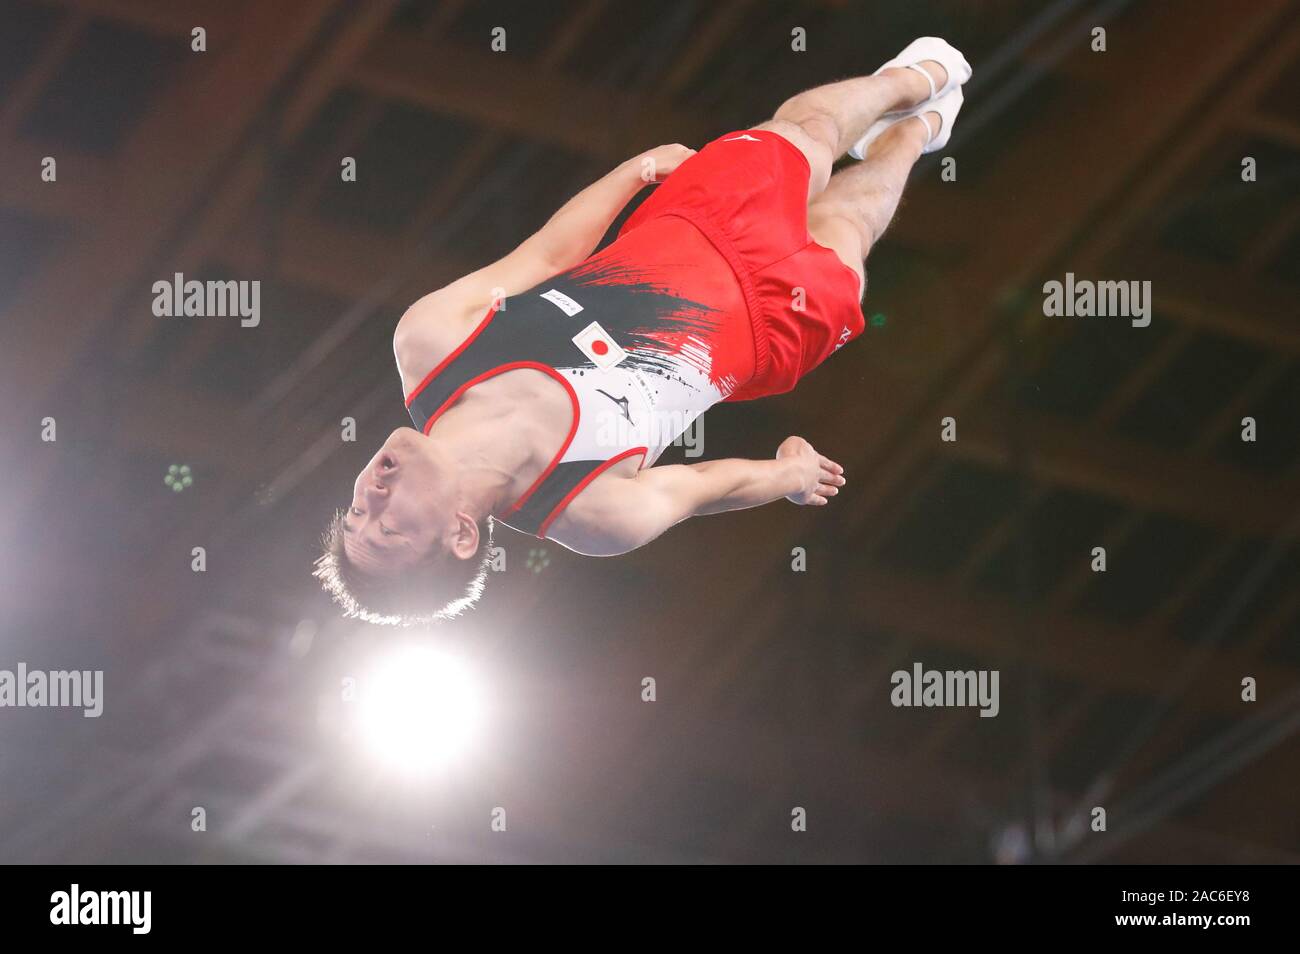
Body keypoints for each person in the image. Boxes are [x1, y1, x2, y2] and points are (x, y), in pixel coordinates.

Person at [315, 38, 973, 624]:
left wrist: (632, 174)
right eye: (385, 530)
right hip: (772, 329)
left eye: (354, 516)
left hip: (694, 220)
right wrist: (790, 475)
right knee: (850, 223)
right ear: (461, 537)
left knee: (807, 129)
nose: (367, 499)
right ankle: (913, 138)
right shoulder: (590, 512)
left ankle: (903, 84)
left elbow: (547, 256)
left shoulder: (430, 345)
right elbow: (709, 485)